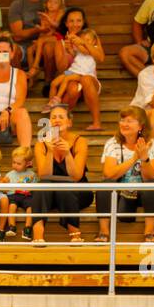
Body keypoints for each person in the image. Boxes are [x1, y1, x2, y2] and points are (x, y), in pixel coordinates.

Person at [97, 107, 154, 244]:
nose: (124, 124)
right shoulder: (113, 143)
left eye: (129, 121)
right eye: (122, 120)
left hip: (142, 195)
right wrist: (134, 158)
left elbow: (150, 177)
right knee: (105, 184)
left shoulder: (152, 143)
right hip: (121, 195)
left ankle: (150, 232)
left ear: (141, 126)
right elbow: (109, 174)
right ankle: (103, 232)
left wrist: (144, 158)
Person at [32, 103, 91, 245]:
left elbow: (76, 176)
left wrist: (67, 154)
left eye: (61, 117)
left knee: (65, 186)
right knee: (43, 185)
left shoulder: (80, 142)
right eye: (53, 117)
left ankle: (74, 233)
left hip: (77, 191)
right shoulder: (41, 143)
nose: (57, 120)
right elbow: (43, 174)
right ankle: (38, 234)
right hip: (50, 193)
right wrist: (51, 151)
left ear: (69, 122)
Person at [50, 8, 104, 128]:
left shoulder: (91, 36)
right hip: (71, 78)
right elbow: (61, 68)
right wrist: (66, 51)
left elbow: (100, 57)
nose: (75, 24)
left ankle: (96, 122)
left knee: (85, 79)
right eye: (71, 21)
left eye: (79, 21)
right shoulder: (61, 42)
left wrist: (83, 42)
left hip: (88, 80)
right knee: (72, 88)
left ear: (83, 22)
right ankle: (59, 119)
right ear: (66, 23)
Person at [8, 0, 58, 82]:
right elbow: (17, 35)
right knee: (13, 49)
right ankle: (20, 84)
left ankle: (48, 84)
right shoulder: (18, 4)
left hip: (47, 45)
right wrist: (39, 30)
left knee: (48, 47)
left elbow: (60, 26)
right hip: (24, 48)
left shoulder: (52, 2)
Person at [0, 146, 38, 240]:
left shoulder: (31, 174)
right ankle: (11, 226)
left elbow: (36, 187)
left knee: (30, 207)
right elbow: (4, 186)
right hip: (13, 195)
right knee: (12, 206)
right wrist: (3, 183)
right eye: (13, 162)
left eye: (18, 163)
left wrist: (32, 182)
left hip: (26, 195)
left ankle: (27, 228)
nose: (15, 165)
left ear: (28, 164)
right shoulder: (10, 174)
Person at [28, 0, 65, 81]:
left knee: (41, 41)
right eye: (50, 2)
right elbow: (45, 31)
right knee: (29, 50)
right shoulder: (45, 14)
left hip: (58, 38)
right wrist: (40, 29)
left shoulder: (60, 13)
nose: (51, 4)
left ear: (60, 4)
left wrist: (48, 20)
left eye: (55, 2)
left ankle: (36, 65)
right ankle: (32, 75)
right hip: (47, 38)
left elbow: (56, 27)